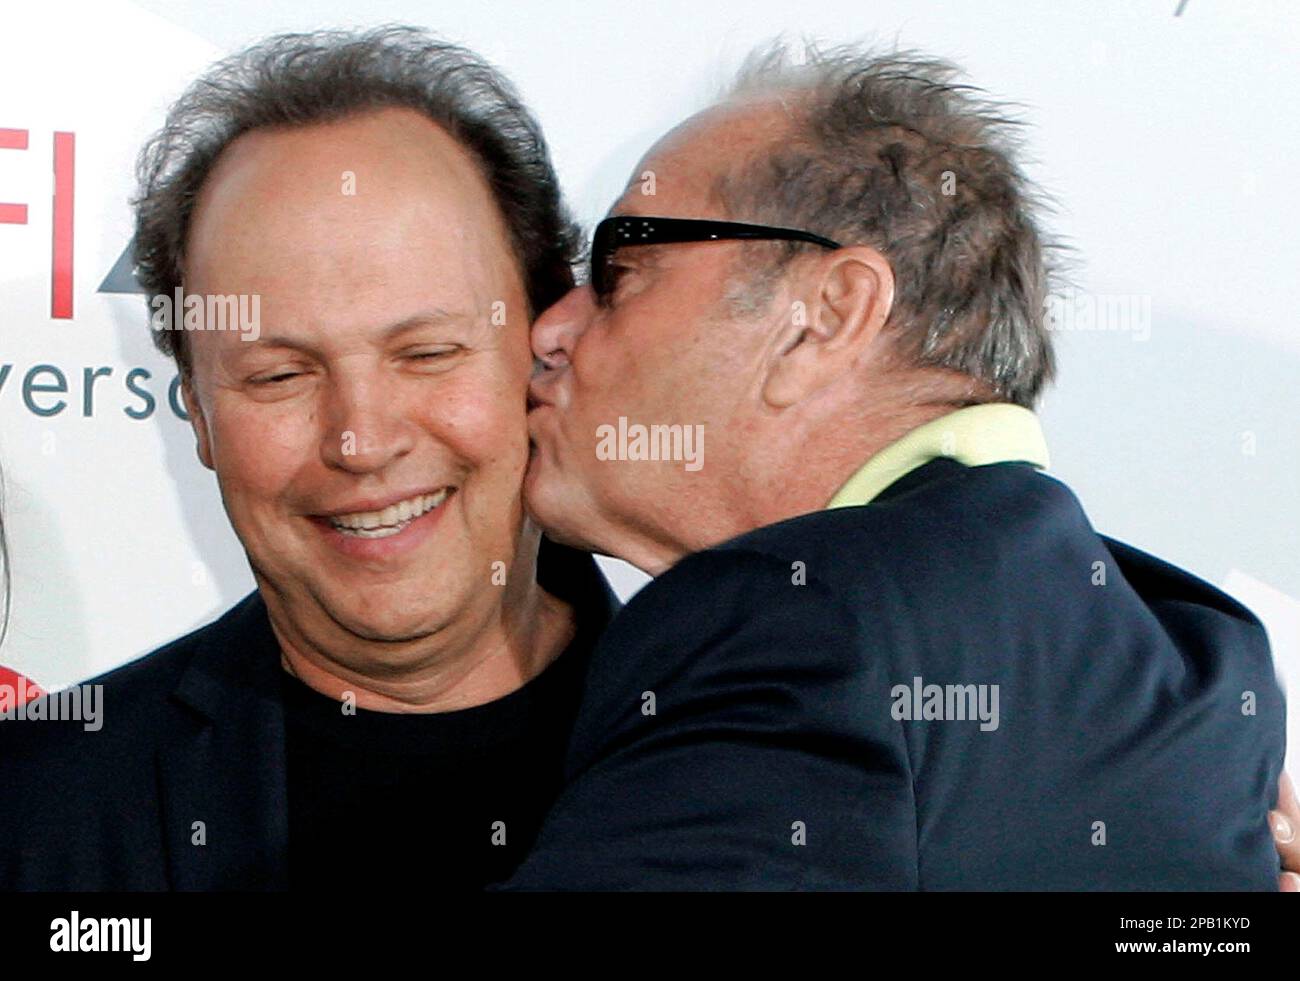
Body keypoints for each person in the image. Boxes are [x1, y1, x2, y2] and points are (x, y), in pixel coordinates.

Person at [512, 42, 1293, 889]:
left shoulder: (797, 622)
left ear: (827, 315)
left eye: (622, 269)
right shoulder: (1207, 656)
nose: (551, 329)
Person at [0, 26, 617, 891]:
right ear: (198, 412)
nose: (361, 441)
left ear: (545, 353)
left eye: (428, 352)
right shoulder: (33, 814)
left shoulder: (759, 748)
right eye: (281, 374)